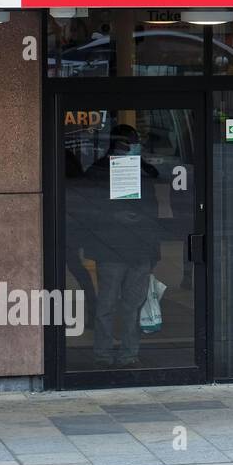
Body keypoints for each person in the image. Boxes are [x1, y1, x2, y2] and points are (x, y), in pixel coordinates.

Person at [77, 124, 160, 368]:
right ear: (119, 144)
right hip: (112, 250)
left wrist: (153, 252)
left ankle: (128, 353)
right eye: (131, 142)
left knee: (132, 306)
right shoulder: (99, 171)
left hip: (137, 251)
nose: (136, 146)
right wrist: (116, 217)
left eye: (136, 142)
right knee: (109, 305)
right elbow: (88, 210)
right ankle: (105, 353)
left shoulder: (142, 171)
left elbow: (152, 211)